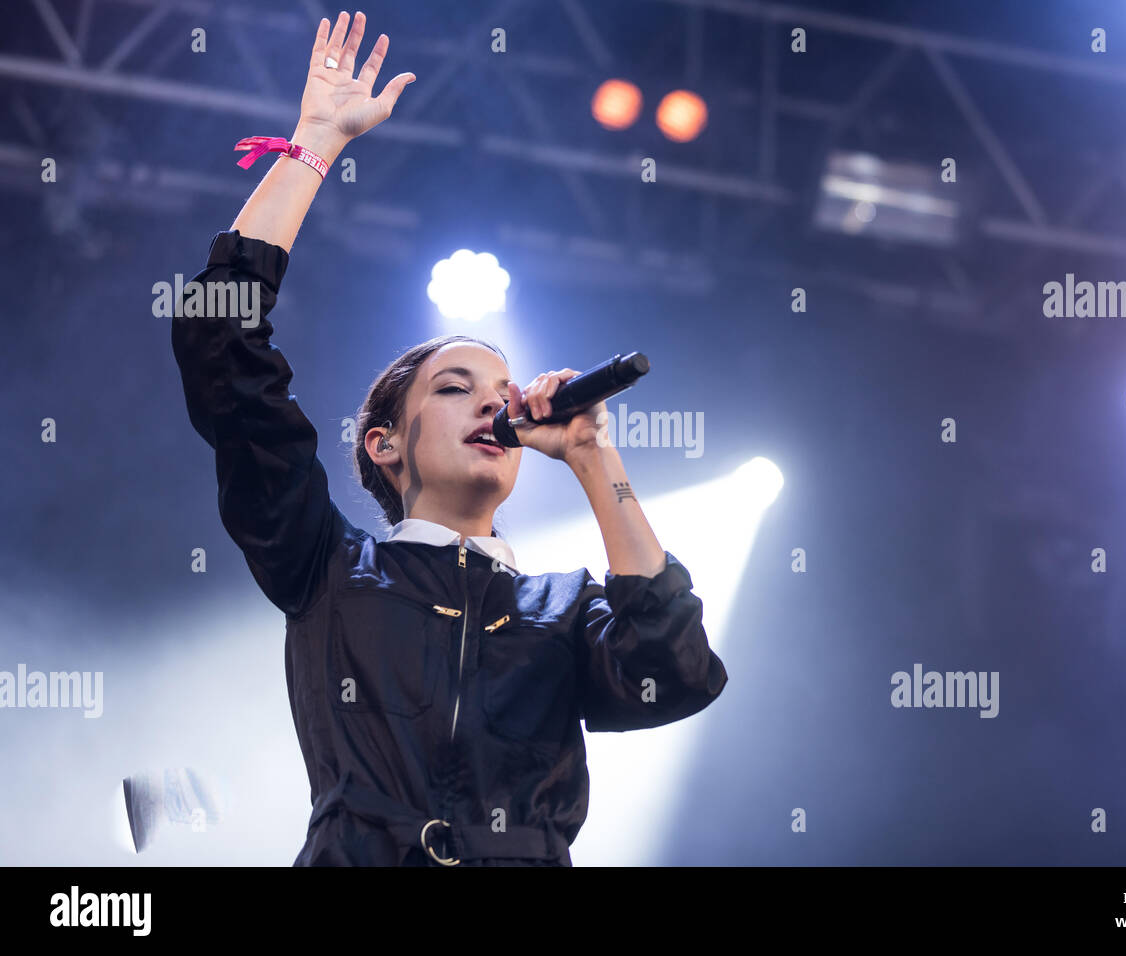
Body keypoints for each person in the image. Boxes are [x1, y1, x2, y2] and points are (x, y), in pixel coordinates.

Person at [171, 11, 727, 866]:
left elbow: (675, 671)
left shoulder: (565, 608)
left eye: (504, 393)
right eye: (454, 388)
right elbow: (220, 337)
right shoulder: (325, 565)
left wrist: (590, 454)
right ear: (385, 443)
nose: (490, 406)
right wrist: (314, 143)